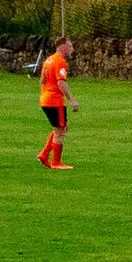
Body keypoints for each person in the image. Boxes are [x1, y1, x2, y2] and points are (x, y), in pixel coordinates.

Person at [35, 38, 76, 170]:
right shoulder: (60, 61)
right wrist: (72, 100)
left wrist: (44, 94)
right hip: (55, 100)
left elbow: (42, 80)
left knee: (62, 126)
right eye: (70, 47)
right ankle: (56, 162)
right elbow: (61, 82)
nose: (72, 50)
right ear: (62, 47)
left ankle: (44, 154)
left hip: (45, 99)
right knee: (60, 130)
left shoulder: (49, 60)